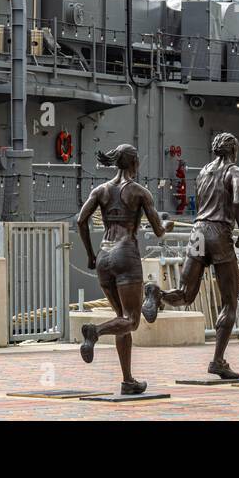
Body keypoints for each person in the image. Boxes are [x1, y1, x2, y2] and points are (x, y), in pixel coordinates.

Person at [142, 132, 239, 380]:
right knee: (230, 302)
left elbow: (200, 205)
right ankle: (218, 361)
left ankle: (157, 293)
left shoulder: (202, 173)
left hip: (198, 232)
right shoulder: (236, 172)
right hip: (219, 233)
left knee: (186, 293)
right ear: (233, 150)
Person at [76, 143, 172, 395]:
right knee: (131, 320)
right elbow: (159, 231)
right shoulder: (140, 192)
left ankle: (128, 380)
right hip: (125, 254)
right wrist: (167, 224)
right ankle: (94, 332)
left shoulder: (101, 190)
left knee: (122, 318)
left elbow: (80, 220)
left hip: (104, 256)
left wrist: (90, 254)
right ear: (134, 163)